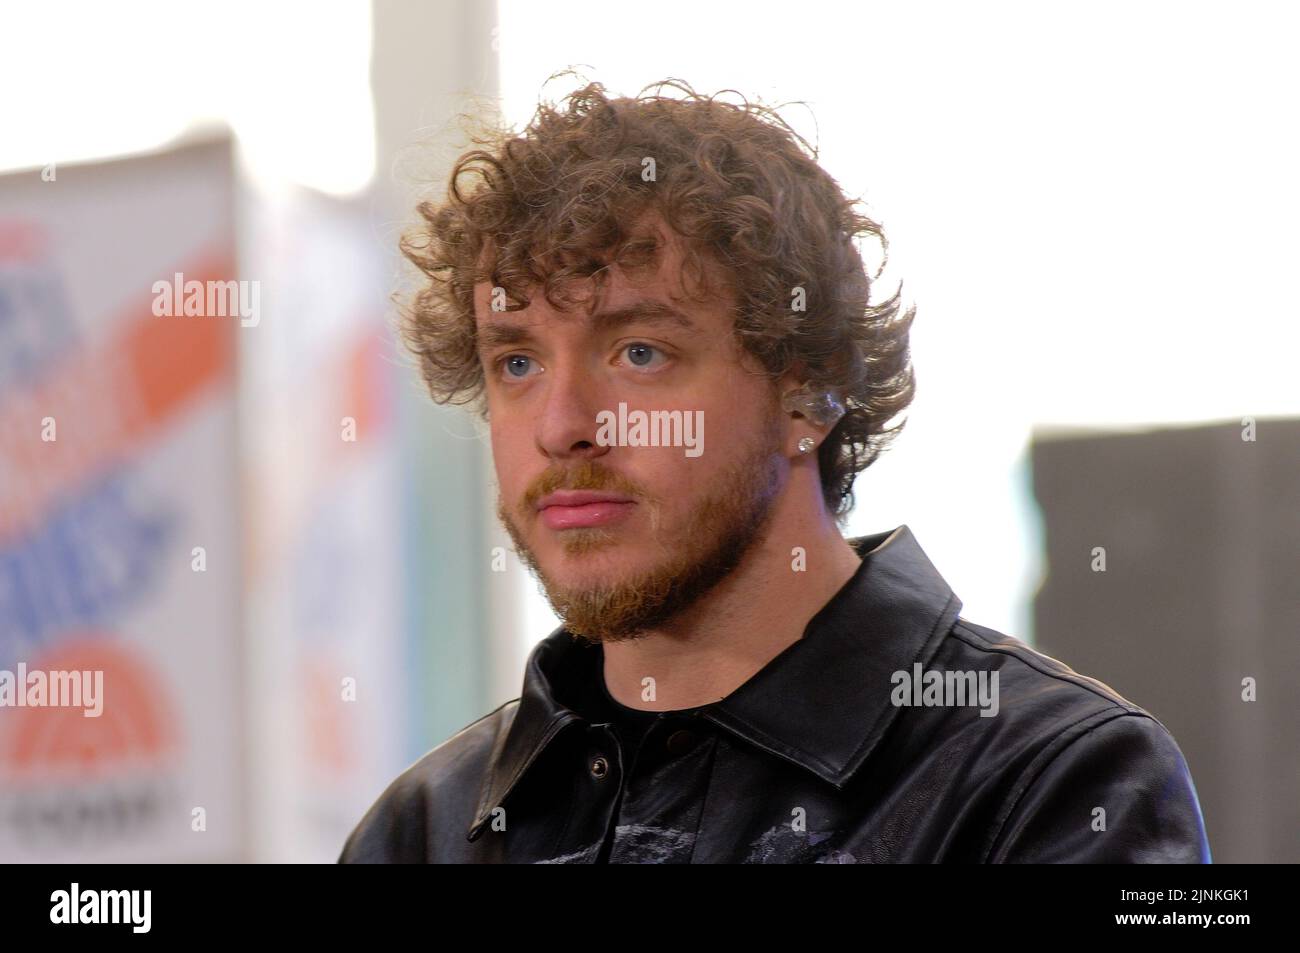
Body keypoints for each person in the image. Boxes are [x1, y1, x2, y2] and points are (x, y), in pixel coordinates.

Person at [338, 78, 1210, 863]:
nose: (563, 426)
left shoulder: (1058, 779)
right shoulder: (423, 829)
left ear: (811, 393)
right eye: (517, 364)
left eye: (640, 351)